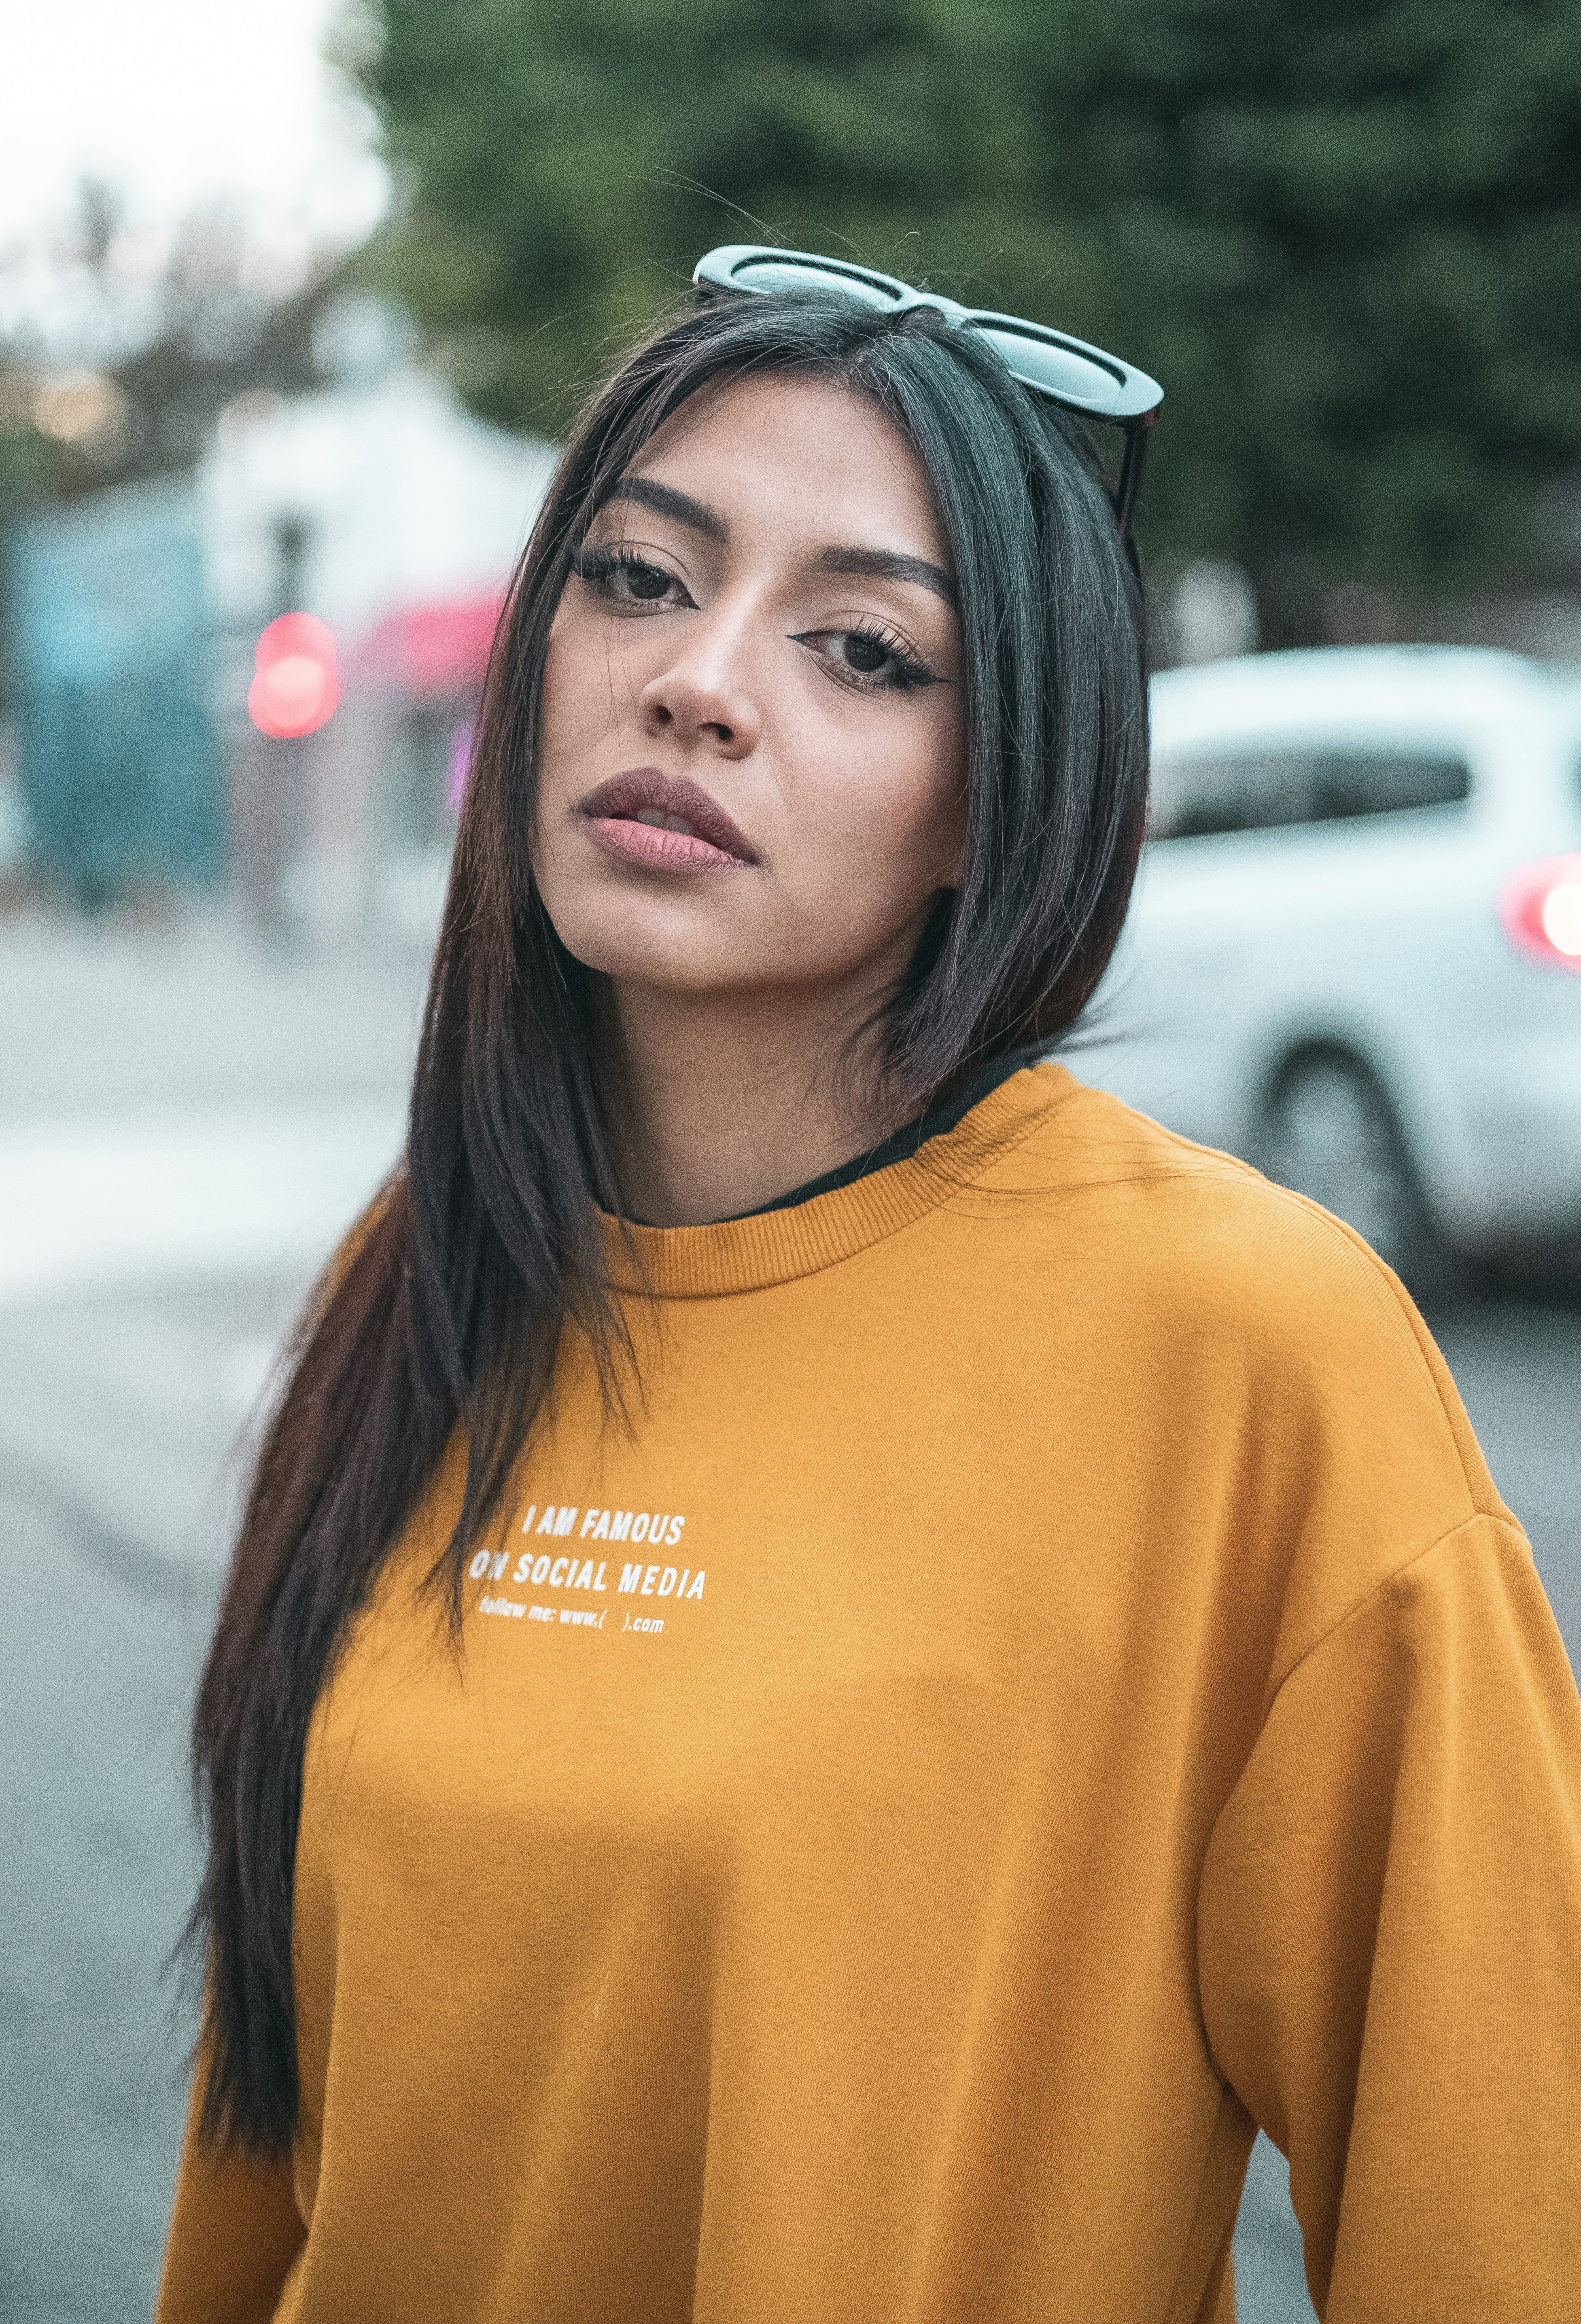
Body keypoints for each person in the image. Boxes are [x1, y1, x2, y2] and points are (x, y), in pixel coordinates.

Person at [156, 252, 1581, 2324]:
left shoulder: (1240, 1346)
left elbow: (1491, 2213)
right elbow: (269, 2139)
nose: (698, 680)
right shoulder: (432, 1261)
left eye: (861, 649)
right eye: (640, 578)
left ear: (993, 794)